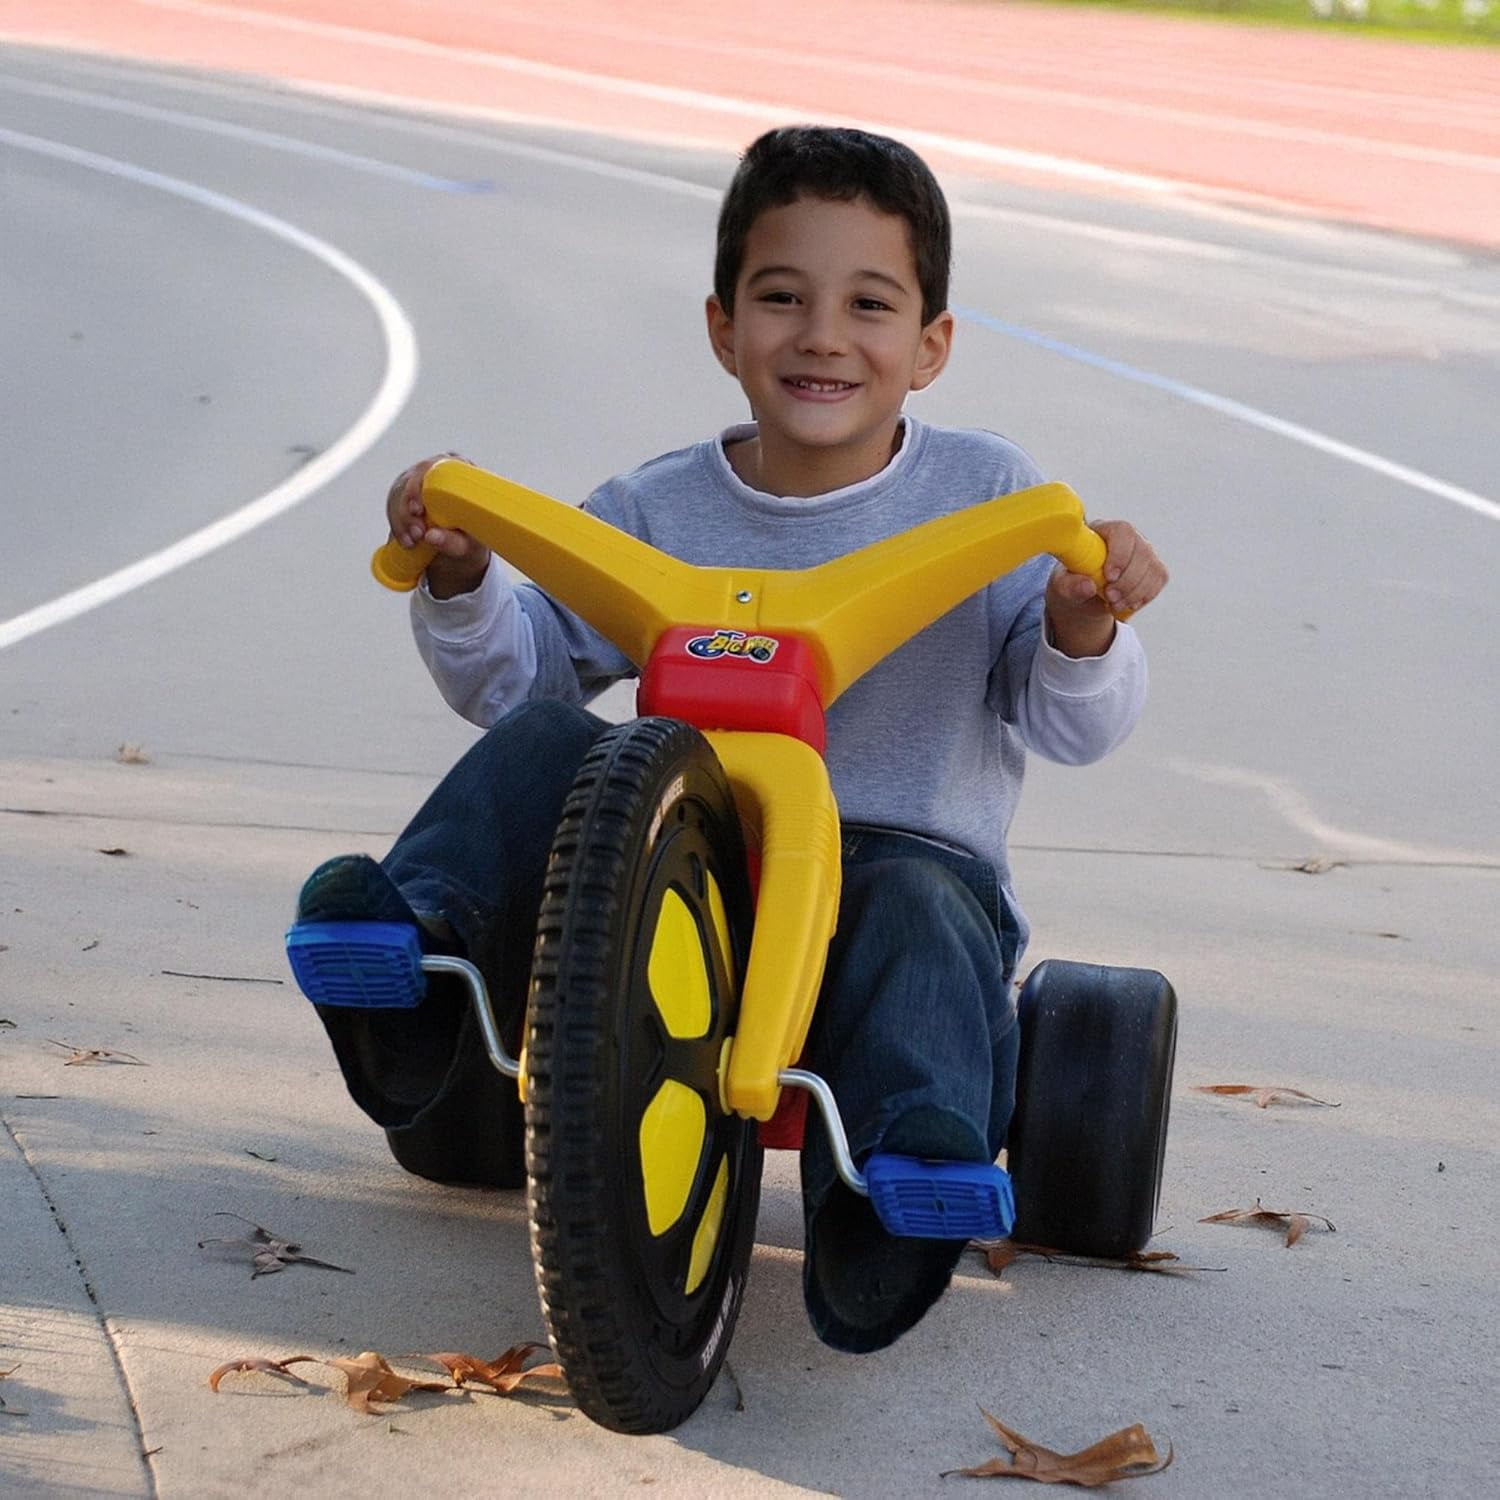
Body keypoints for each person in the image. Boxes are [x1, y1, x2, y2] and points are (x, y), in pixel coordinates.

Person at [294, 124, 1168, 1354]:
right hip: (670, 878)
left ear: (930, 348)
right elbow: (518, 672)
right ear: (722, 328)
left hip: (889, 864)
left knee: (916, 905)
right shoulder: (660, 506)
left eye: (869, 304)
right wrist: (464, 579)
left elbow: (1066, 724)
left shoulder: (987, 497)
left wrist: (1081, 625)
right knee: (551, 737)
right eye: (781, 298)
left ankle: (904, 1167)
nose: (821, 334)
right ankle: (419, 963)